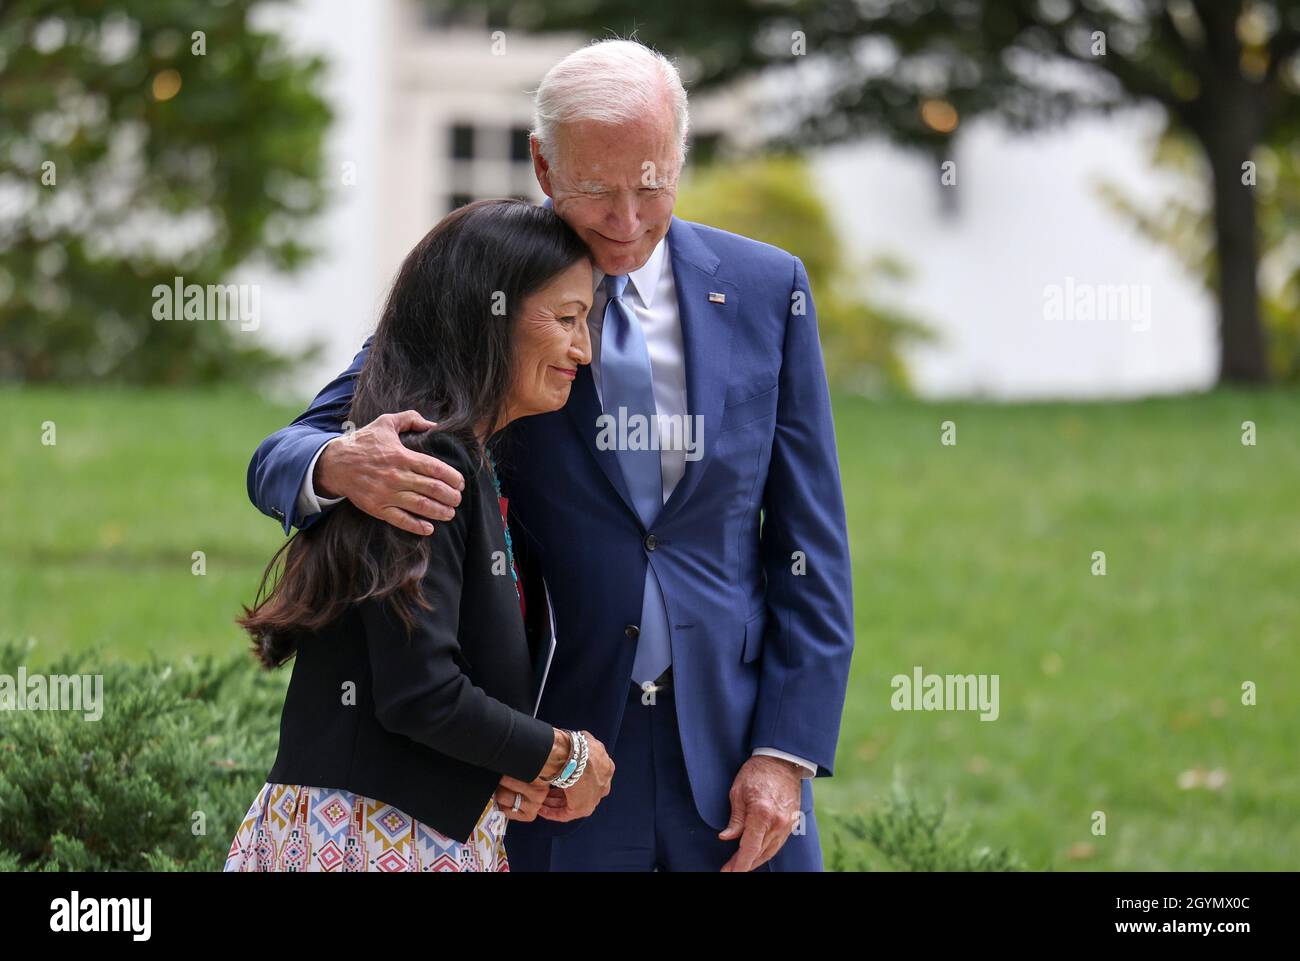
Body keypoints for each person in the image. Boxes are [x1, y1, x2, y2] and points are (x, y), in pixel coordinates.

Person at [247, 39, 854, 872]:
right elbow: (284, 450)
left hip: (737, 752)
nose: (628, 220)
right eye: (598, 190)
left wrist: (788, 747)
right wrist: (338, 465)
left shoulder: (765, 287)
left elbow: (809, 541)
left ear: (680, 155)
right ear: (542, 163)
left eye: (651, 184)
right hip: (546, 756)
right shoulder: (484, 290)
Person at [225, 199, 613, 872]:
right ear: (484, 317)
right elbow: (422, 694)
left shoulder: (467, 451)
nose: (584, 348)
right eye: (567, 319)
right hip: (373, 843)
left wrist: (509, 764)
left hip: (407, 834)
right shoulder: (415, 460)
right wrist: (565, 755)